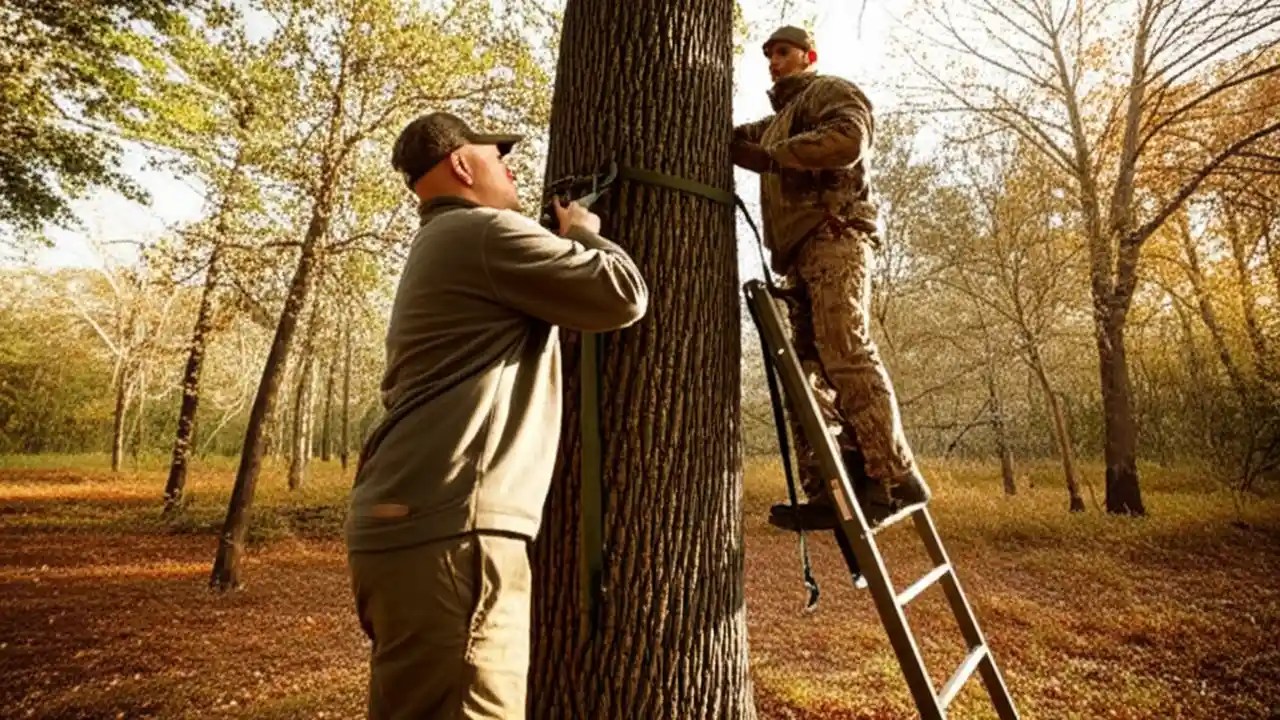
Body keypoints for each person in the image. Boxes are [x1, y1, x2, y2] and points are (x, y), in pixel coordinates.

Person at [344, 111, 649, 719]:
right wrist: (585, 231)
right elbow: (622, 295)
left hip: (409, 527)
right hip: (452, 532)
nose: (511, 170)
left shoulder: (441, 243)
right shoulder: (482, 233)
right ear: (461, 164)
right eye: (498, 157)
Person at [731, 26, 930, 531]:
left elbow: (849, 139)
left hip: (836, 236)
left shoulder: (829, 91)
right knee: (806, 375)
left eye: (784, 52)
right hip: (799, 257)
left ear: (808, 56)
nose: (775, 61)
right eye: (769, 54)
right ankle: (833, 489)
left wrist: (774, 159)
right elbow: (737, 141)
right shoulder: (776, 122)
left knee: (845, 349)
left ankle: (895, 476)